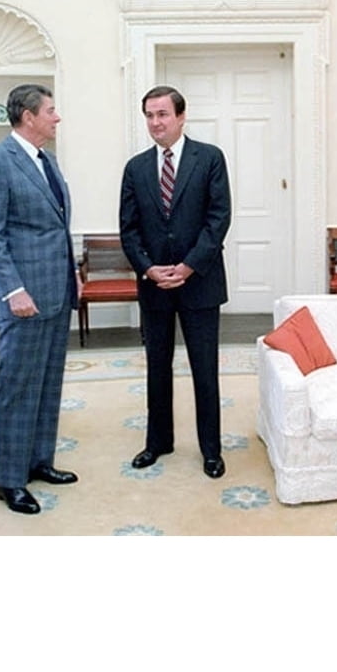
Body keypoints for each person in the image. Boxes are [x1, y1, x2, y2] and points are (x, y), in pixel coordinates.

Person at [0, 83, 80, 515]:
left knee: (48, 383)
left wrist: (71, 274)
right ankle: (10, 480)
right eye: (51, 110)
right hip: (25, 298)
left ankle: (39, 461)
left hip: (56, 293)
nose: (57, 118)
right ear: (28, 116)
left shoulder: (47, 161)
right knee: (17, 387)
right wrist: (12, 290)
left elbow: (55, 228)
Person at [119, 85, 232, 479]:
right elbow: (128, 229)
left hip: (199, 283)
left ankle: (211, 450)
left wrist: (187, 267)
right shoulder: (135, 168)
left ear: (181, 117)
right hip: (154, 285)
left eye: (163, 114)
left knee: (205, 369)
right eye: (149, 115)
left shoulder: (210, 159)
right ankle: (158, 442)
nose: (156, 122)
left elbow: (218, 220)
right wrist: (148, 268)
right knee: (157, 367)